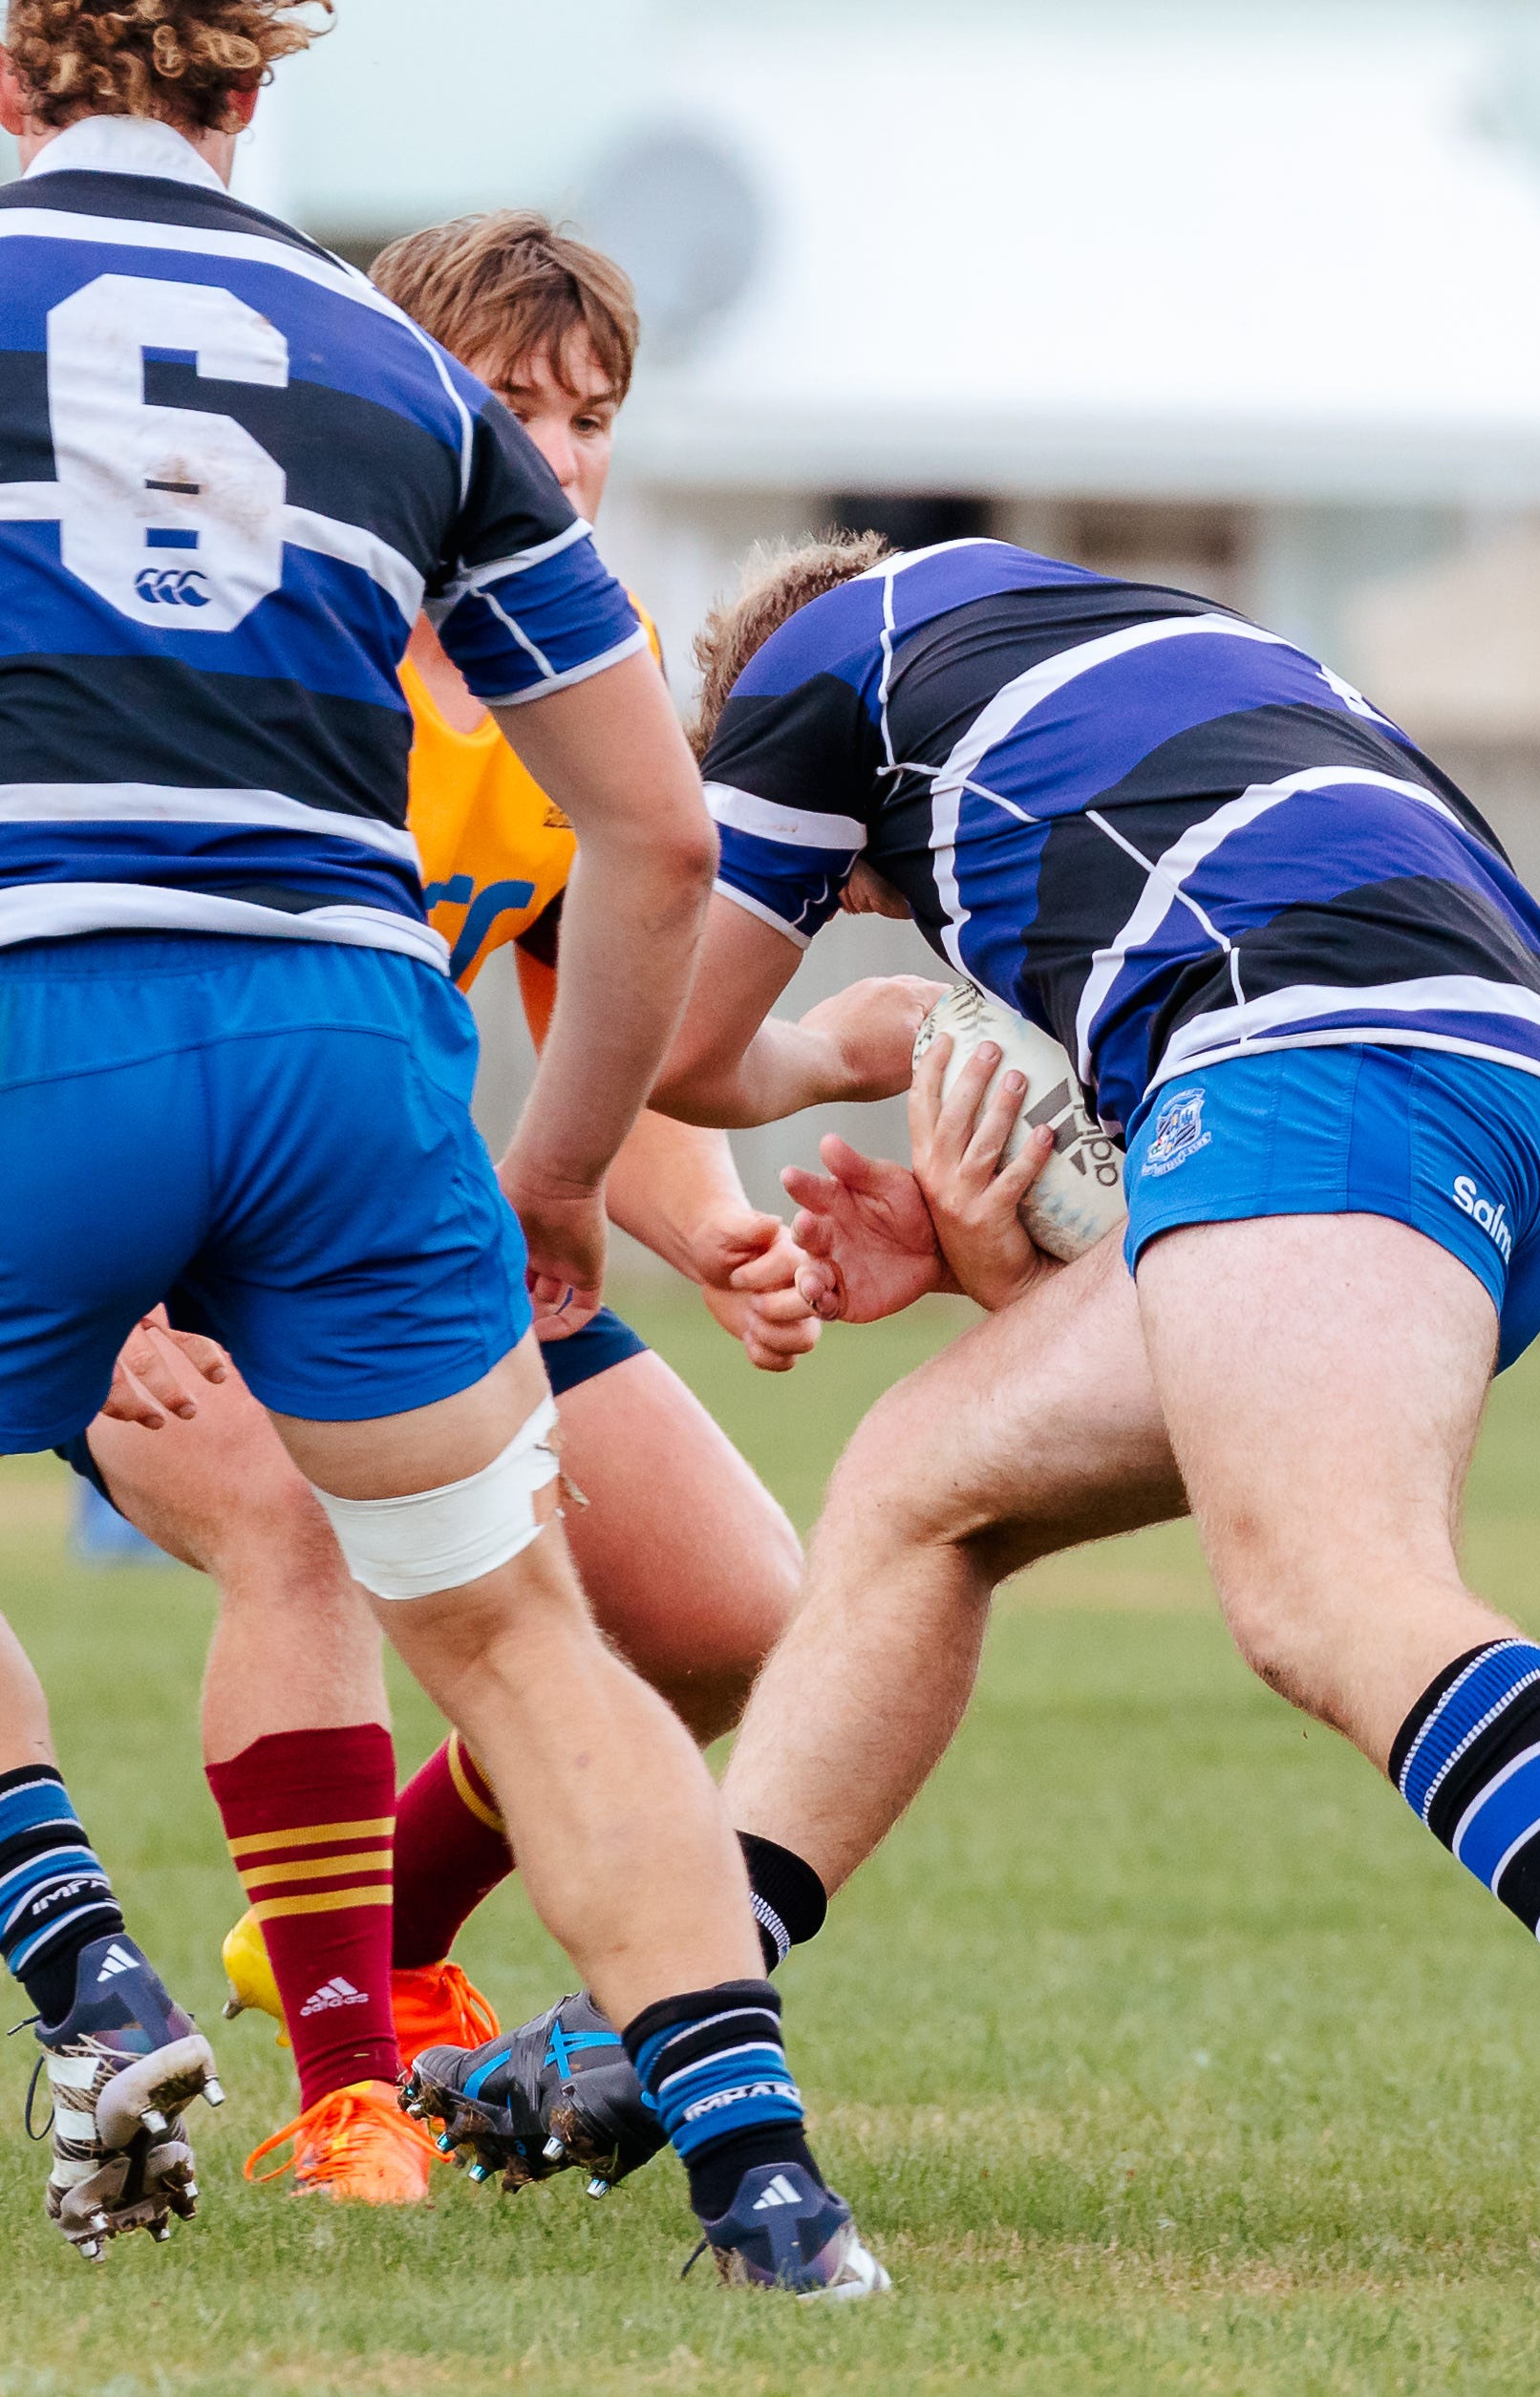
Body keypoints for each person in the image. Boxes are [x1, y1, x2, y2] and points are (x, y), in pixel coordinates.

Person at [417, 531, 1540, 2267]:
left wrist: (834, 1045)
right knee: (925, 1478)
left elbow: (673, 1031)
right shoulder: (1161, 656)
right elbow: (1160, 1267)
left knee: (1327, 1582)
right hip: (1509, 1099)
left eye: (854, 885)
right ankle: (674, 2004)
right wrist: (968, 1259)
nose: (870, 902)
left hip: (1321, 1045)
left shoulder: (821, 667)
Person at [0, 4, 885, 2290]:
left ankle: (106, 1974)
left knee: (696, 1602)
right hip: (344, 1067)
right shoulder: (382, 386)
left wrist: (653, 1191)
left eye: (603, 415)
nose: (565, 446)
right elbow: (663, 842)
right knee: (468, 1601)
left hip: (54, 1018)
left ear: (13, 79)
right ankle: (731, 2183)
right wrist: (577, 1172)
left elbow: (611, 916)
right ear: (253, 94)